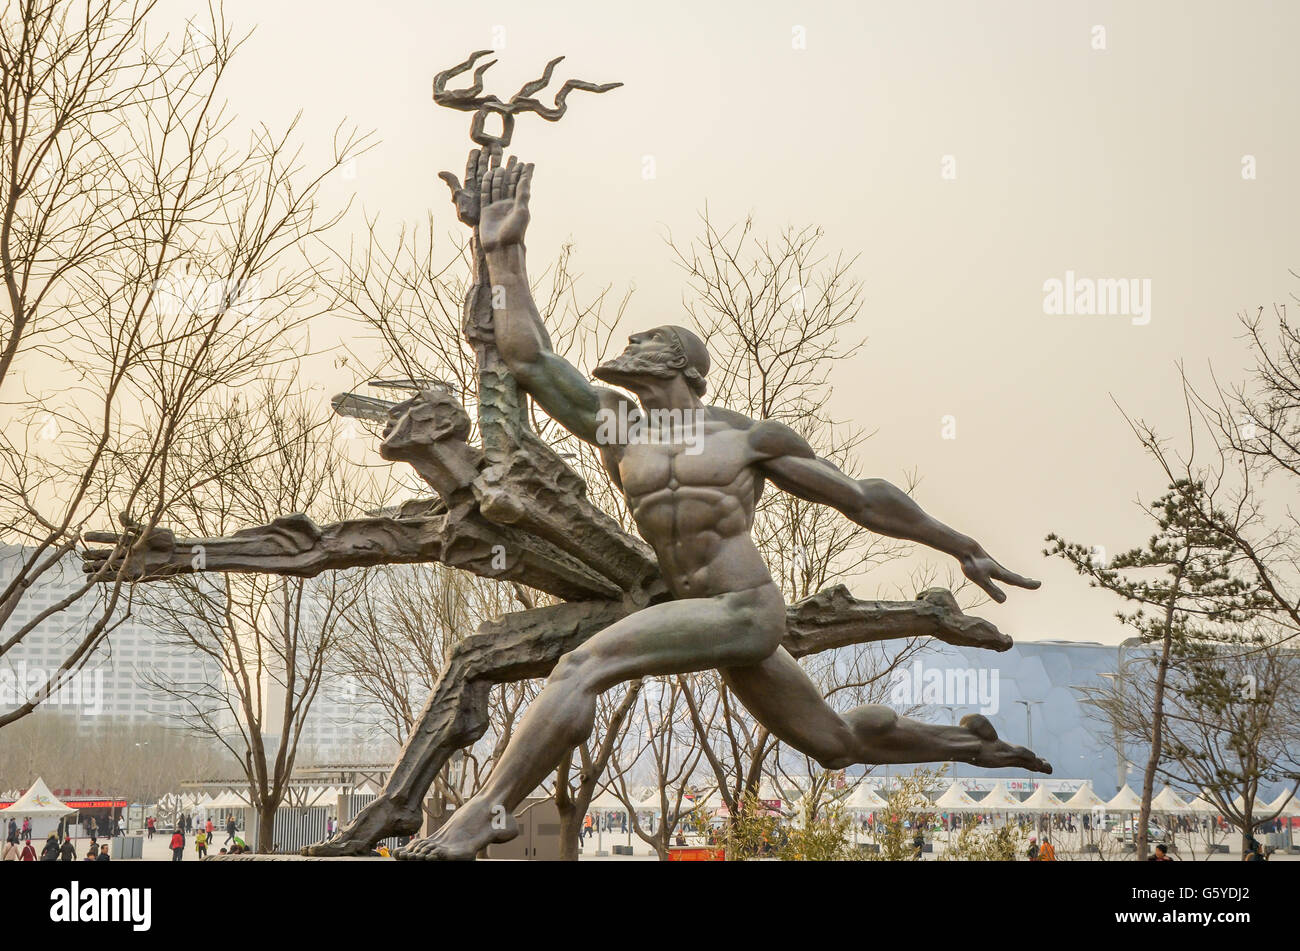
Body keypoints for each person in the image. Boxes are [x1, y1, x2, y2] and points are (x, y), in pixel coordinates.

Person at [388, 149, 1047, 860]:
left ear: (681, 365)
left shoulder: (742, 439)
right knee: (834, 742)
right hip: (695, 610)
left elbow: (861, 498)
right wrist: (502, 251)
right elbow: (529, 359)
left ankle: (489, 809)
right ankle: (968, 742)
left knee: (582, 666)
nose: (629, 344)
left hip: (743, 609)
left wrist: (958, 544)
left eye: (646, 341)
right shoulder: (622, 427)